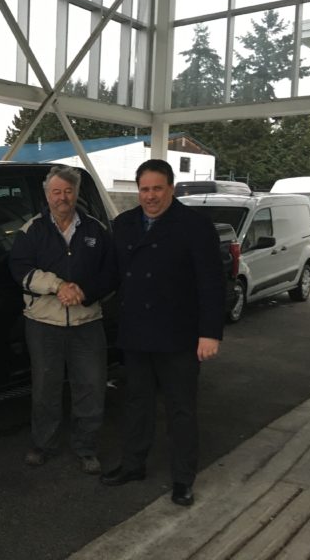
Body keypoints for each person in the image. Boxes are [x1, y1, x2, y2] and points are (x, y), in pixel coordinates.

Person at [100, 159, 225, 506]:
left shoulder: (195, 225)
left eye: (157, 188)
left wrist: (210, 333)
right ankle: (133, 465)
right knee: (137, 403)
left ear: (171, 188)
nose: (150, 196)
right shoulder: (124, 224)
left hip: (179, 335)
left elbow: (211, 283)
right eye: (144, 189)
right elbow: (111, 275)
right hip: (137, 332)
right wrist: (78, 290)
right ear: (137, 191)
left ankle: (183, 479)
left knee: (180, 409)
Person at [9, 166, 116, 474]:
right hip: (44, 323)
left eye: (68, 191)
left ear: (76, 193)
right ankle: (43, 444)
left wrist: (84, 292)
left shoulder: (96, 230)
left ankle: (86, 448)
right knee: (46, 388)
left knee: (91, 387)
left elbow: (111, 273)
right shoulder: (31, 230)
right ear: (47, 195)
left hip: (87, 322)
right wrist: (58, 286)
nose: (62, 197)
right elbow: (20, 270)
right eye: (56, 192)